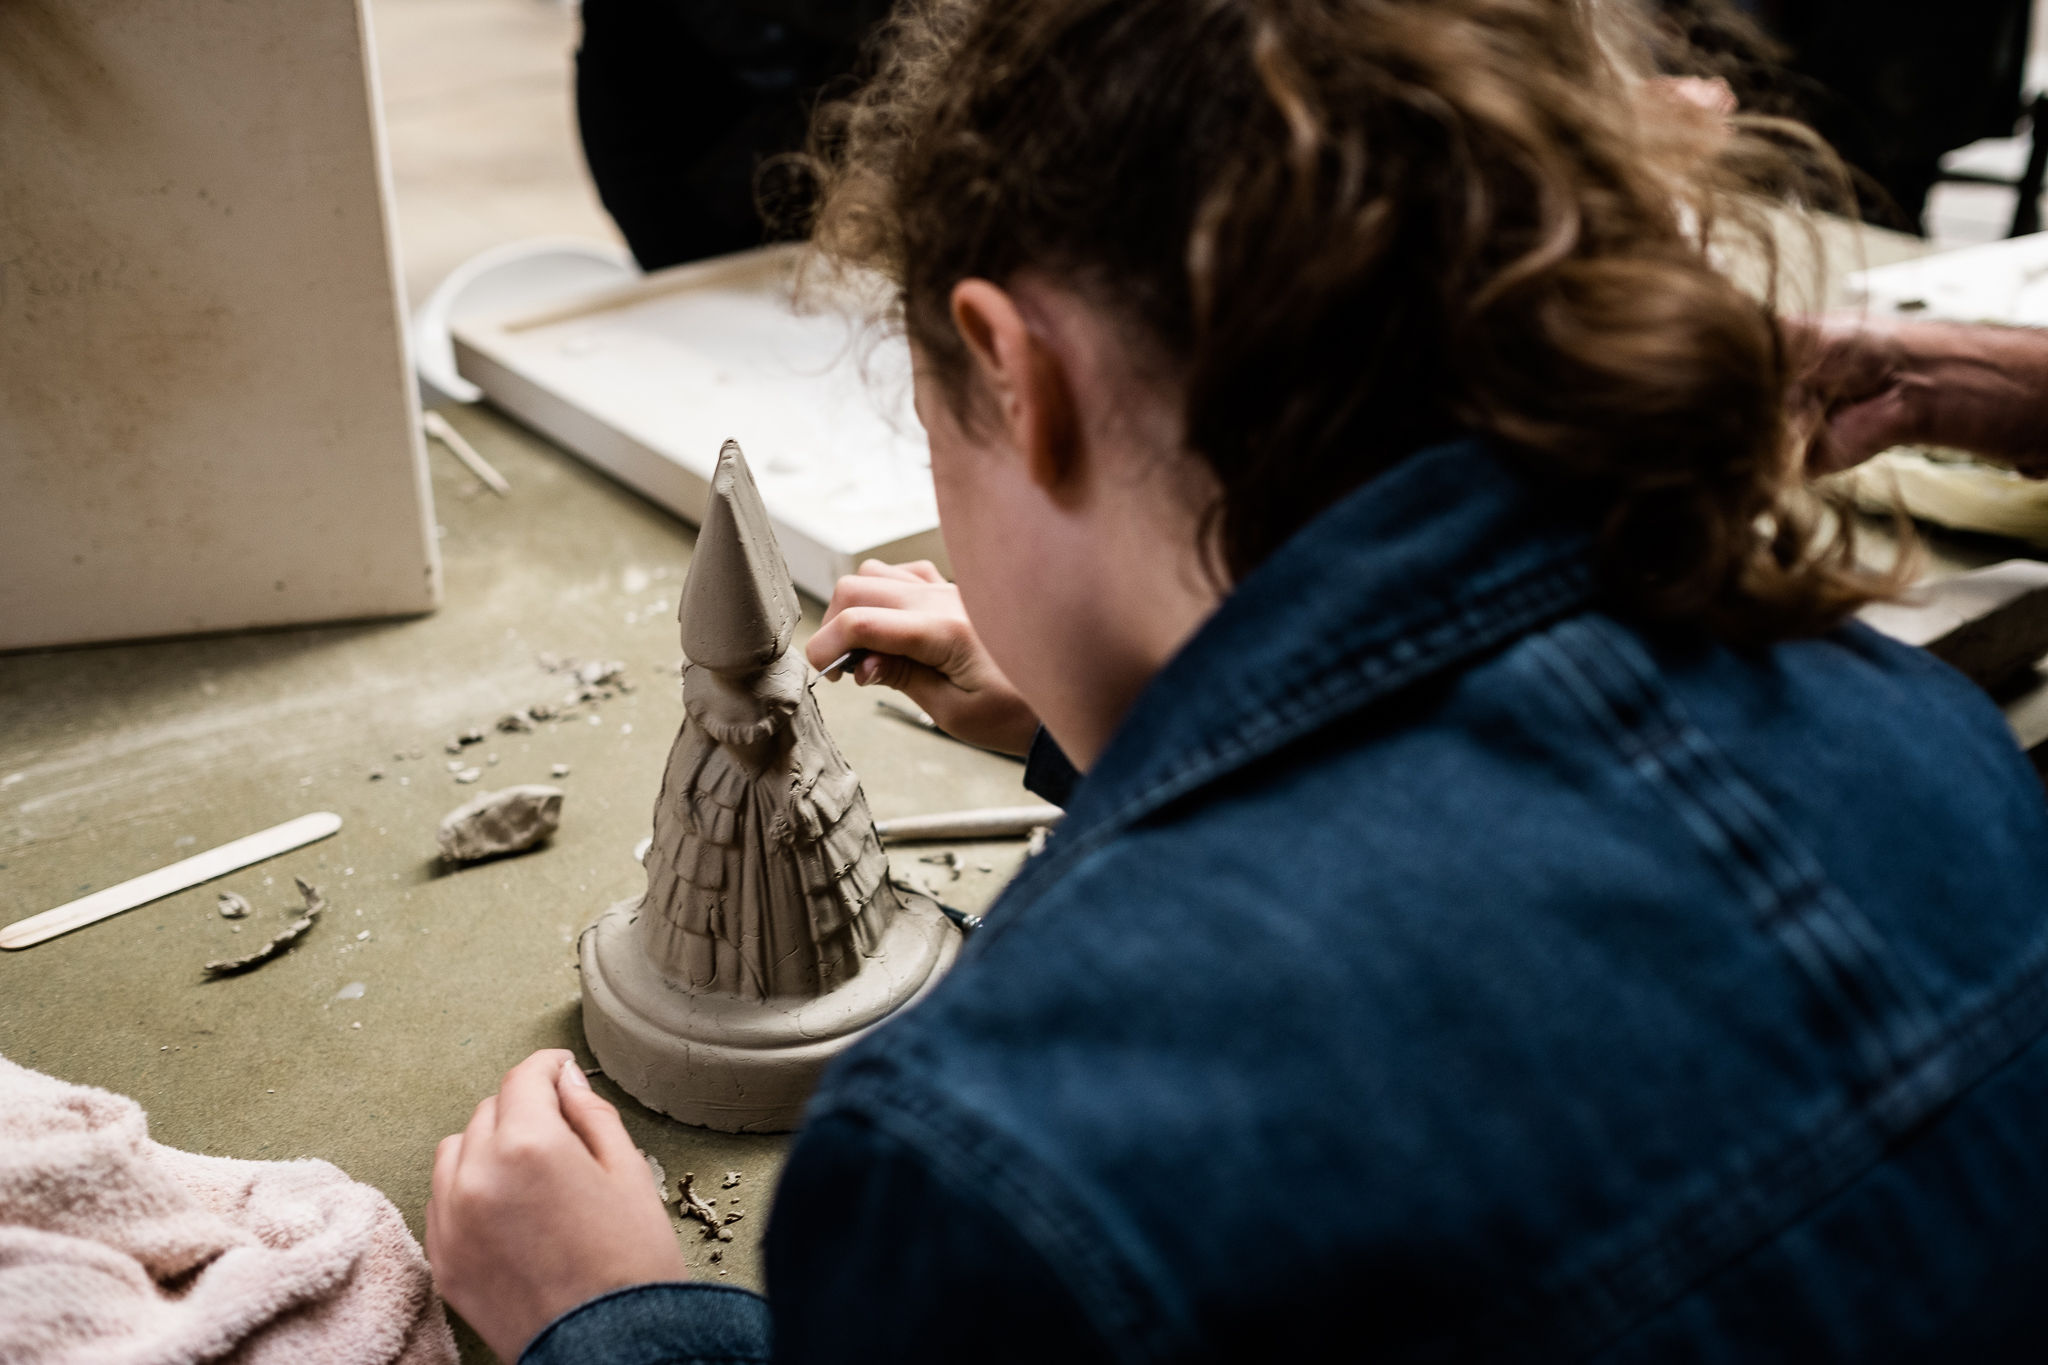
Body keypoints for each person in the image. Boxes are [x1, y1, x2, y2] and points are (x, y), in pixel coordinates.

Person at [427, 1, 2048, 1361]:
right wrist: (1091, 715)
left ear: (1017, 370)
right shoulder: (1930, 744)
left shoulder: (989, 1165)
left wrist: (608, 1312)